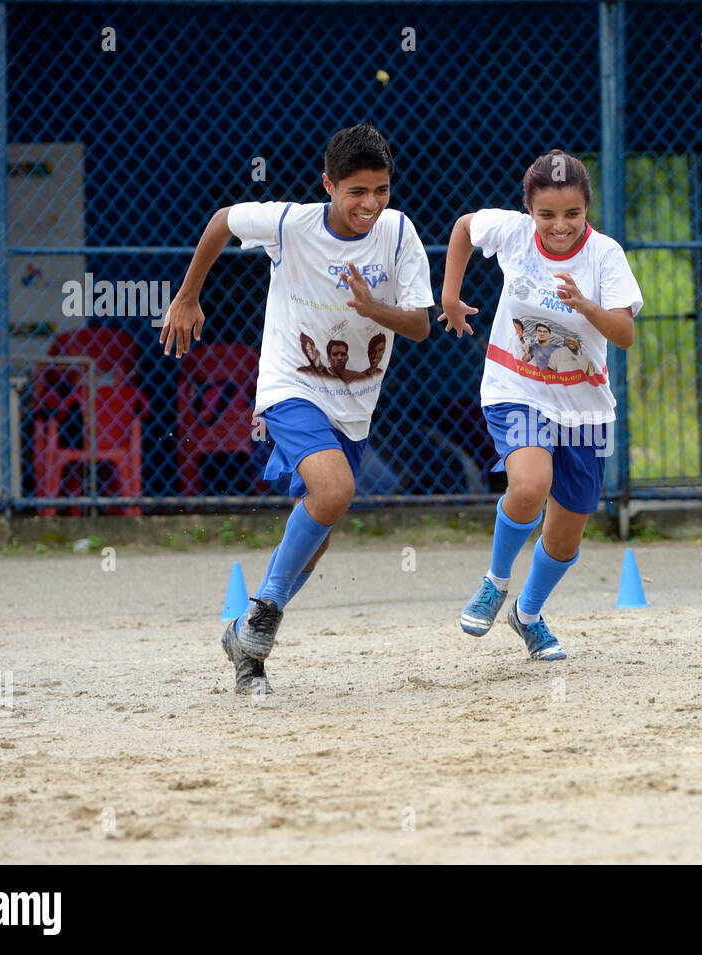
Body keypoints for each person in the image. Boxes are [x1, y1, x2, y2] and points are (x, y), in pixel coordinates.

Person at [160, 122, 433, 694]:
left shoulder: (400, 234)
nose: (370, 204)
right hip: (290, 387)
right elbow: (222, 221)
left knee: (321, 527)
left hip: (353, 405)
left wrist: (372, 306)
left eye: (381, 190)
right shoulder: (290, 223)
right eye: (356, 191)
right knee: (333, 491)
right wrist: (188, 296)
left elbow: (419, 326)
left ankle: (248, 640)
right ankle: (261, 625)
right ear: (328, 185)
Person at [438, 149, 643, 661]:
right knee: (530, 485)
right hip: (516, 388)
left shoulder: (605, 256)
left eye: (572, 214)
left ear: (586, 209)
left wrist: (586, 305)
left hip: (584, 408)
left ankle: (527, 614)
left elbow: (624, 334)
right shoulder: (511, 233)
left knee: (567, 533)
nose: (559, 225)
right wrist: (449, 295)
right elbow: (464, 228)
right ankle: (495, 581)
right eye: (547, 214)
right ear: (529, 209)